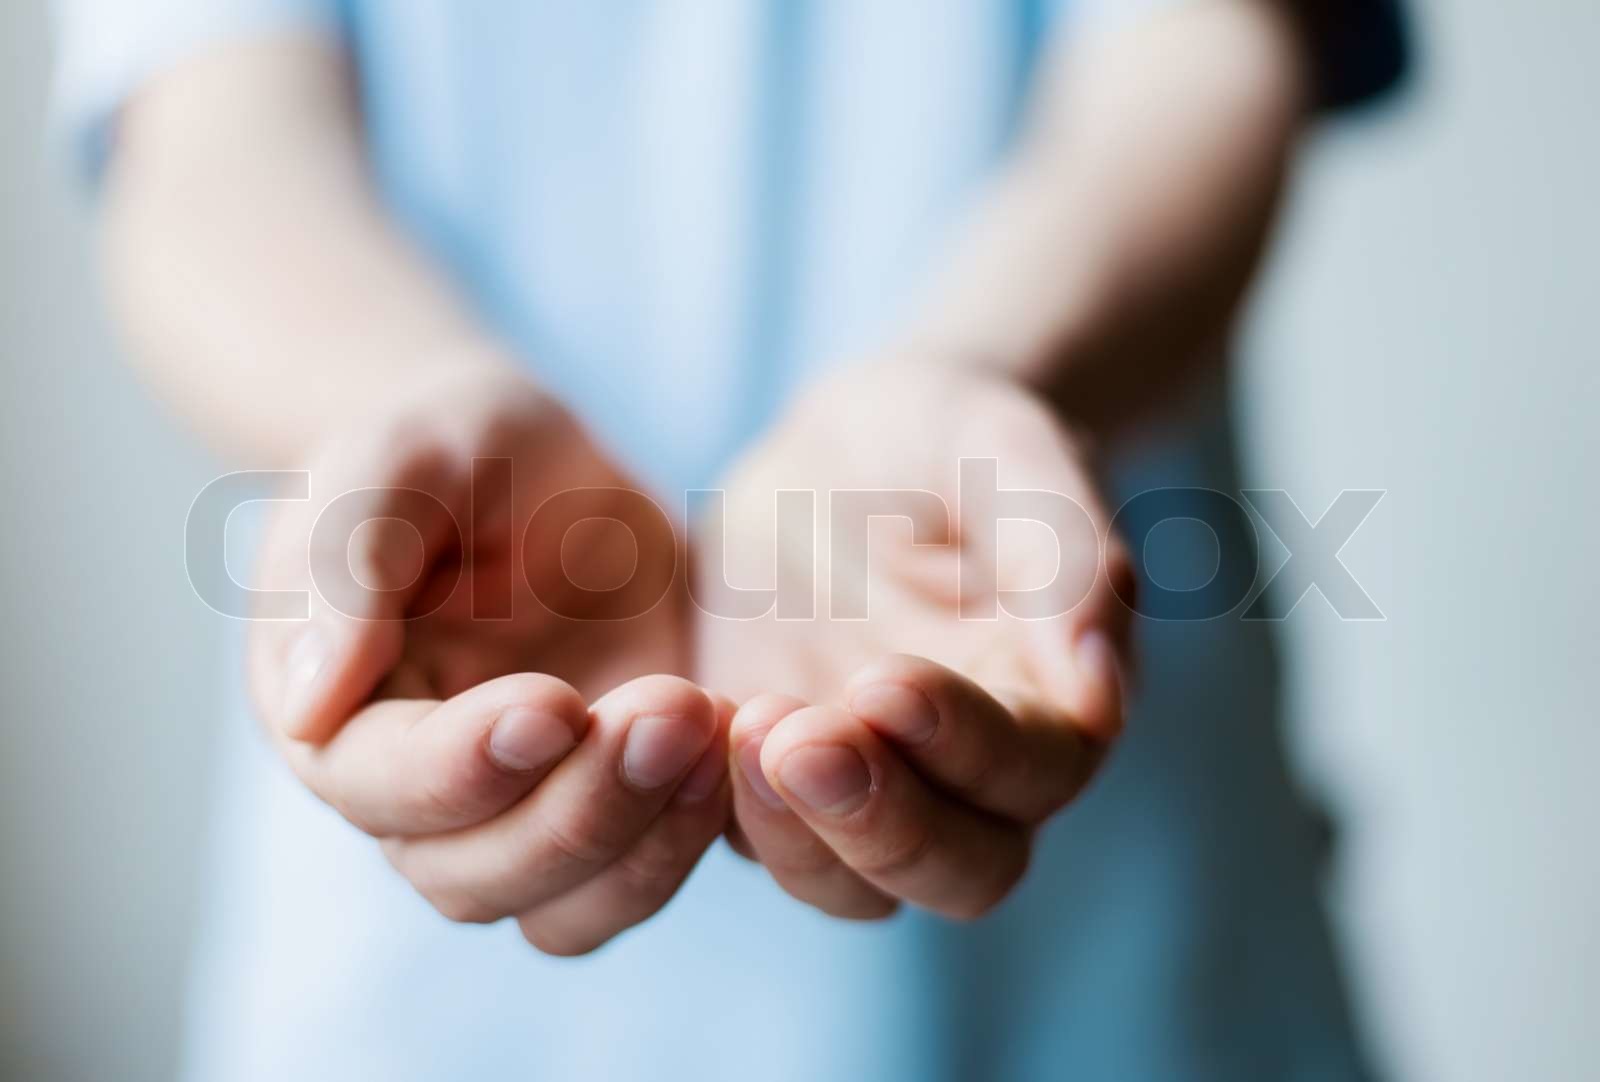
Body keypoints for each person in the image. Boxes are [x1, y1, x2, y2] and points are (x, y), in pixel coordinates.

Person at [53, 0, 1406, 1078]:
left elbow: (1201, 52)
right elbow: (209, 129)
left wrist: (985, 365)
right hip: (441, 908)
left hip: (1114, 924)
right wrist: (397, 407)